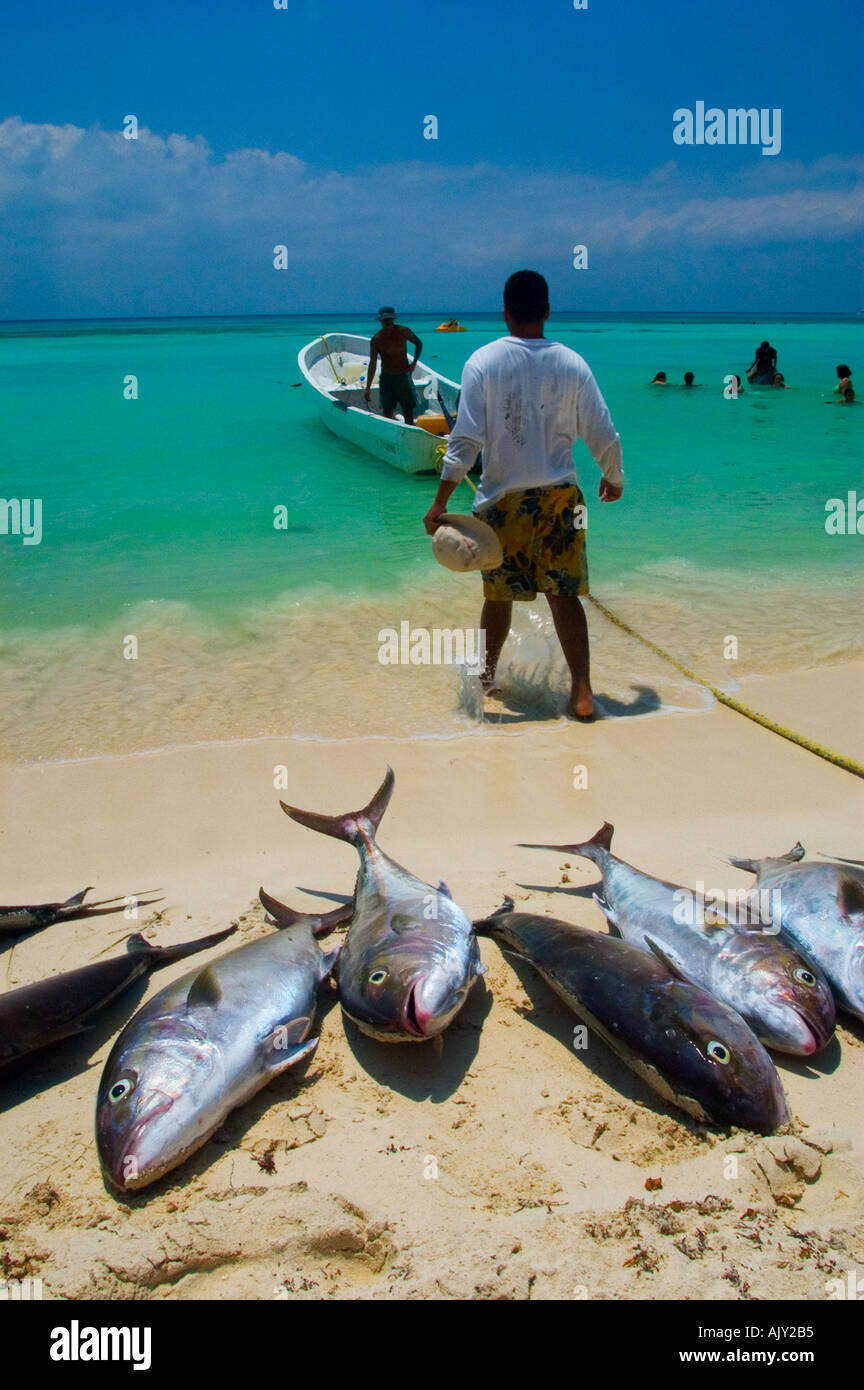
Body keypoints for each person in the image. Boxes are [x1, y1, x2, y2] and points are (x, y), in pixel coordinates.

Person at [423, 269, 623, 721]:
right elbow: (602, 429)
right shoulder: (573, 363)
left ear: (505, 312)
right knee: (564, 595)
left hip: (503, 503)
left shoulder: (483, 362)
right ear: (547, 311)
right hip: (561, 500)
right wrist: (613, 476)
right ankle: (582, 692)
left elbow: (466, 440)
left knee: (498, 597)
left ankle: (486, 678)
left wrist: (441, 501)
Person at [364, 307, 422, 424]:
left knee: (408, 412)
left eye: (390, 319)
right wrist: (368, 387)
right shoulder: (376, 339)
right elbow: (373, 364)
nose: (388, 322)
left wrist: (414, 362)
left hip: (403, 376)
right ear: (381, 321)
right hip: (387, 378)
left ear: (393, 319)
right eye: (385, 320)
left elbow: (418, 343)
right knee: (387, 413)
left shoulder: (403, 331)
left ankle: (409, 431)